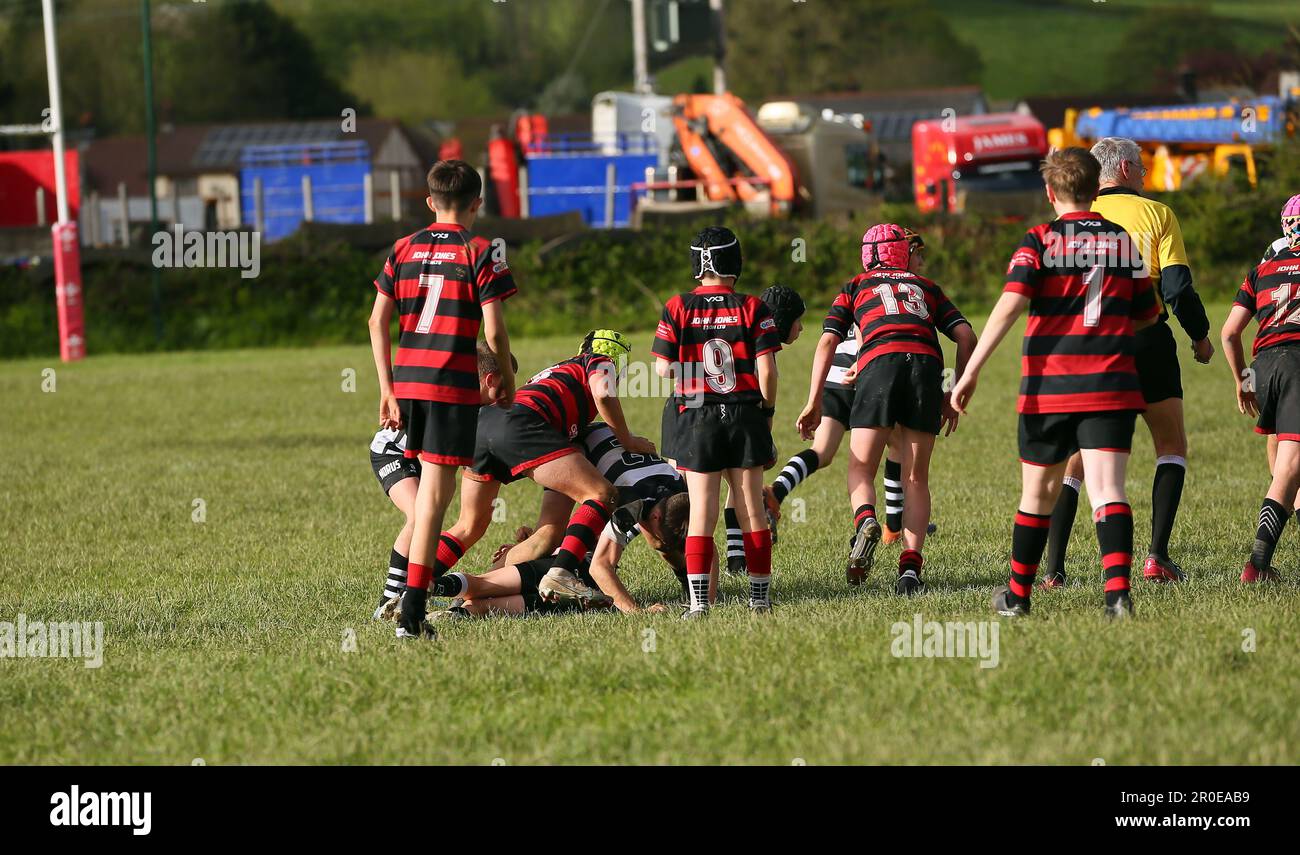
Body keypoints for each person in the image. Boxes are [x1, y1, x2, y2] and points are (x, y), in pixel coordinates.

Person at [950, 147, 1159, 619]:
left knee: (1037, 493)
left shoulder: (1039, 239)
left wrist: (971, 370)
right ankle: (1118, 595)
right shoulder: (1124, 240)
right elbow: (1147, 315)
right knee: (1109, 490)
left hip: (1051, 387)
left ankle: (1018, 597)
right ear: (1095, 190)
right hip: (1111, 383)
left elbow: (1008, 306)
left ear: (1050, 192)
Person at [1038, 137, 1213, 587]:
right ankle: (1156, 557)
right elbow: (1176, 287)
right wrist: (1200, 336)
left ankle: (1054, 570)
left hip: (1088, 347)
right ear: (1129, 170)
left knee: (1078, 457)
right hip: (1146, 337)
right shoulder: (1157, 215)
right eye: (1143, 167)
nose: (1147, 175)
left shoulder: (1074, 219)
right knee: (1170, 443)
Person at [368, 159, 517, 639]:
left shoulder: (403, 247)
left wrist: (387, 389)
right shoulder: (480, 251)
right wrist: (506, 375)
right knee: (436, 494)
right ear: (477, 203)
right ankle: (411, 610)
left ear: (430, 202)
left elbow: (377, 322)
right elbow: (493, 326)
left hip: (409, 383)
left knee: (431, 496)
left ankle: (407, 601)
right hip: (451, 384)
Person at [416, 330, 656, 610]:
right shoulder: (598, 360)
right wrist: (628, 440)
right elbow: (603, 394)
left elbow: (565, 458)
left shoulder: (560, 377)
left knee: (480, 526)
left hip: (483, 426)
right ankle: (561, 574)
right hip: (520, 424)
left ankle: (412, 590)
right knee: (603, 494)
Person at [797, 224, 975, 594]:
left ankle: (865, 521)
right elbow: (966, 336)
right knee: (916, 479)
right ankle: (910, 571)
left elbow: (828, 340)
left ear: (867, 255)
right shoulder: (925, 286)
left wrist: (814, 400)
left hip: (878, 364)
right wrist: (954, 391)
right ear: (902, 252)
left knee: (861, 468)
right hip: (925, 366)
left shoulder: (855, 285)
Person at [766, 229, 936, 549]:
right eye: (918, 254)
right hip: (869, 367)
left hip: (836, 369)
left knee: (823, 451)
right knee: (898, 443)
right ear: (904, 253)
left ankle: (776, 492)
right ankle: (893, 526)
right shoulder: (905, 286)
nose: (922, 261)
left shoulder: (864, 281)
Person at [653, 226, 782, 616]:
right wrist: (768, 410)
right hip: (744, 413)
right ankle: (759, 600)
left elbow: (661, 370)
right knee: (752, 512)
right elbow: (768, 371)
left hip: (698, 417)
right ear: (735, 262)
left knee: (702, 513)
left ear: (697, 265)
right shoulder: (753, 307)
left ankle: (697, 605)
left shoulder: (678, 306)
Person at [367, 342, 514, 618]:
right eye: (504, 389)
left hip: (423, 456)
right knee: (419, 515)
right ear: (489, 379)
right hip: (392, 452)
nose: (506, 397)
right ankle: (389, 598)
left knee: (429, 513)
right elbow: (426, 445)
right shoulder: (452, 399)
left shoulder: (476, 406)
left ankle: (413, 589)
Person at [1219, 193, 1300, 583]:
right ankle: (1258, 565)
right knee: (1291, 465)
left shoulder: (1262, 269)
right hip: (1299, 363)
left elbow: (1230, 332)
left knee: (1281, 446)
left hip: (1263, 368)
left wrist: (1242, 381)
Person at [723, 284, 804, 574]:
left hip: (705, 417)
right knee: (744, 488)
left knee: (735, 486)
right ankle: (748, 568)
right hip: (739, 418)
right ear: (781, 322)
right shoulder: (763, 348)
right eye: (798, 320)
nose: (802, 328)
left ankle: (735, 558)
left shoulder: (742, 331)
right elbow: (761, 387)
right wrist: (764, 423)